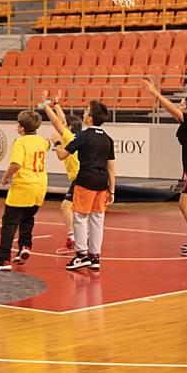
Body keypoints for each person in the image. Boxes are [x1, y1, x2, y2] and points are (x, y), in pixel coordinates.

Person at [143, 77, 187, 256]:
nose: (179, 106)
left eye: (182, 105)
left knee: (184, 205)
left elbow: (171, 109)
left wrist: (155, 93)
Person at [55, 99, 115, 271]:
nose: (84, 113)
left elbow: (62, 155)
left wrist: (58, 144)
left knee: (80, 217)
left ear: (90, 118)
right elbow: (111, 166)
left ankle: (81, 255)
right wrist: (112, 190)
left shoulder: (83, 136)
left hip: (85, 180)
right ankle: (95, 256)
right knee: (97, 219)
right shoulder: (108, 139)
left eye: (86, 111)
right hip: (102, 183)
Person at [0, 110, 51, 271]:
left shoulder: (20, 142)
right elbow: (49, 144)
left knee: (9, 223)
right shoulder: (42, 141)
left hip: (24, 185)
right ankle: (25, 245)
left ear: (22, 128)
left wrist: (5, 177)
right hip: (40, 186)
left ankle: (3, 259)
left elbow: (16, 164)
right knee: (28, 218)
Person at [41, 91, 82, 255]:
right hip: (81, 177)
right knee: (76, 210)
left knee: (66, 207)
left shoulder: (68, 138)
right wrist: (57, 104)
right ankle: (78, 239)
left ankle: (73, 239)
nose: (62, 124)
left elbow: (57, 122)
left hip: (79, 177)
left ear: (69, 127)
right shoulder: (75, 136)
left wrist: (45, 105)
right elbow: (62, 120)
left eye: (66, 124)